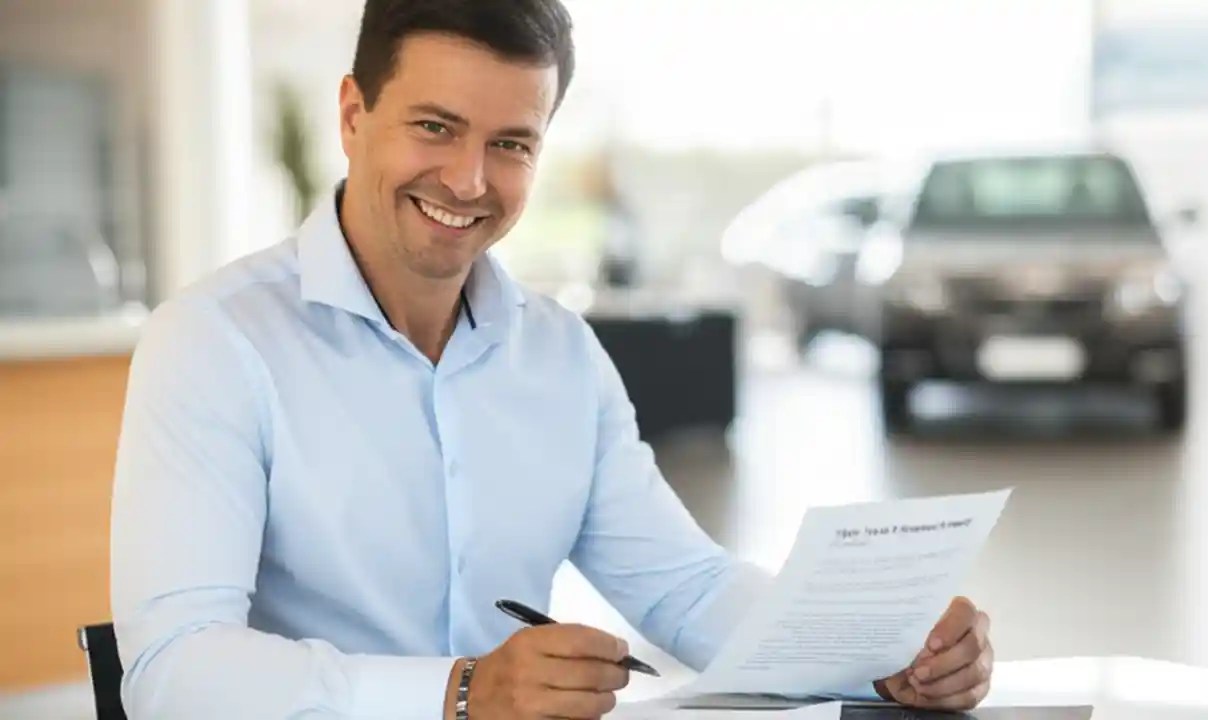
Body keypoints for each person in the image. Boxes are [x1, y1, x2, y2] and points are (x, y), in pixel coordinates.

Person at [110, 1, 993, 717]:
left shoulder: (562, 355)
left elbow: (682, 588)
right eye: (434, 127)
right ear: (352, 114)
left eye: (511, 144)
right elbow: (173, 671)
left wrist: (881, 655)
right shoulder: (215, 343)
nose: (467, 180)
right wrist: (460, 693)